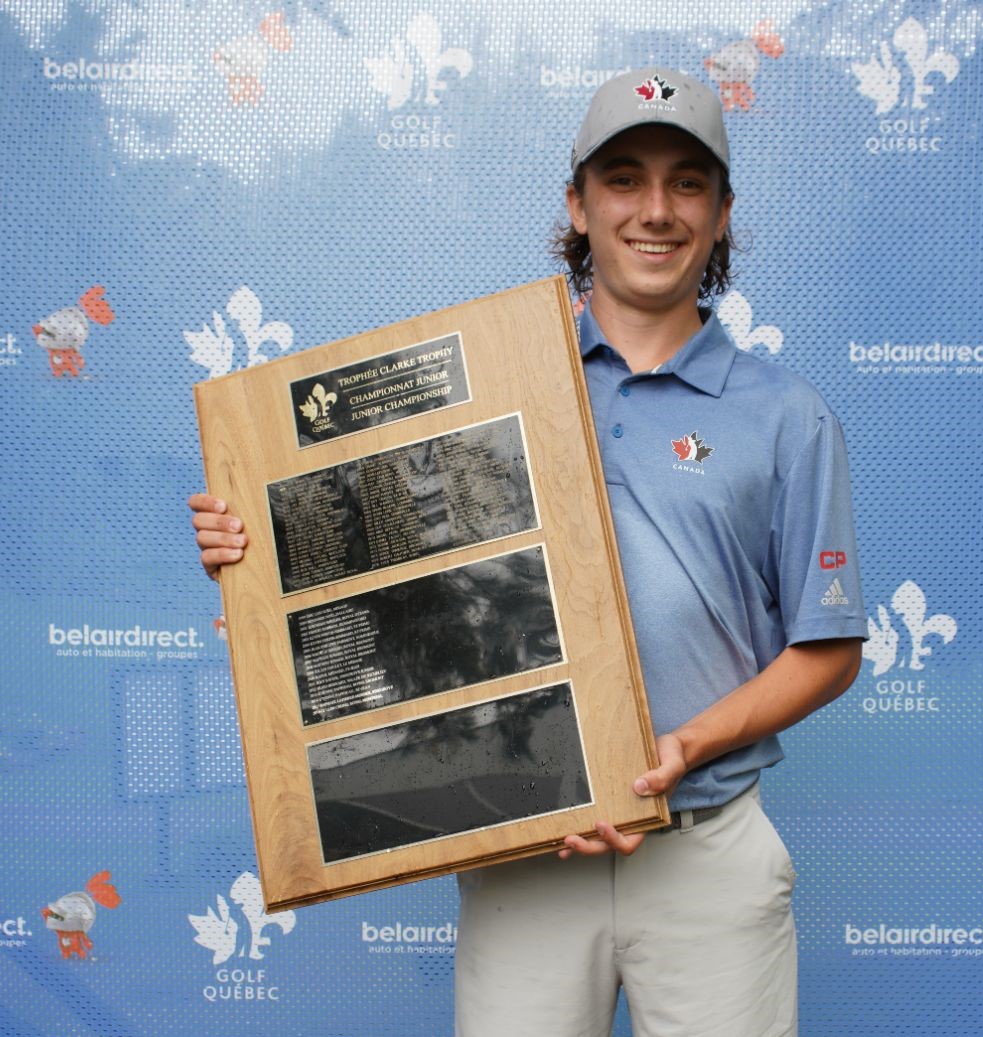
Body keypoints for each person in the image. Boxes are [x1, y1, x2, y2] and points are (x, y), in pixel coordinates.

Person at [189, 67, 866, 1037]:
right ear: (577, 204)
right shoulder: (480, 382)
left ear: (721, 215)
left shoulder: (788, 415)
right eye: (624, 178)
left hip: (708, 850)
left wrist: (682, 747)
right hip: (524, 854)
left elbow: (828, 646)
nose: (655, 209)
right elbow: (384, 582)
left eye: (687, 183)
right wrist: (255, 555)